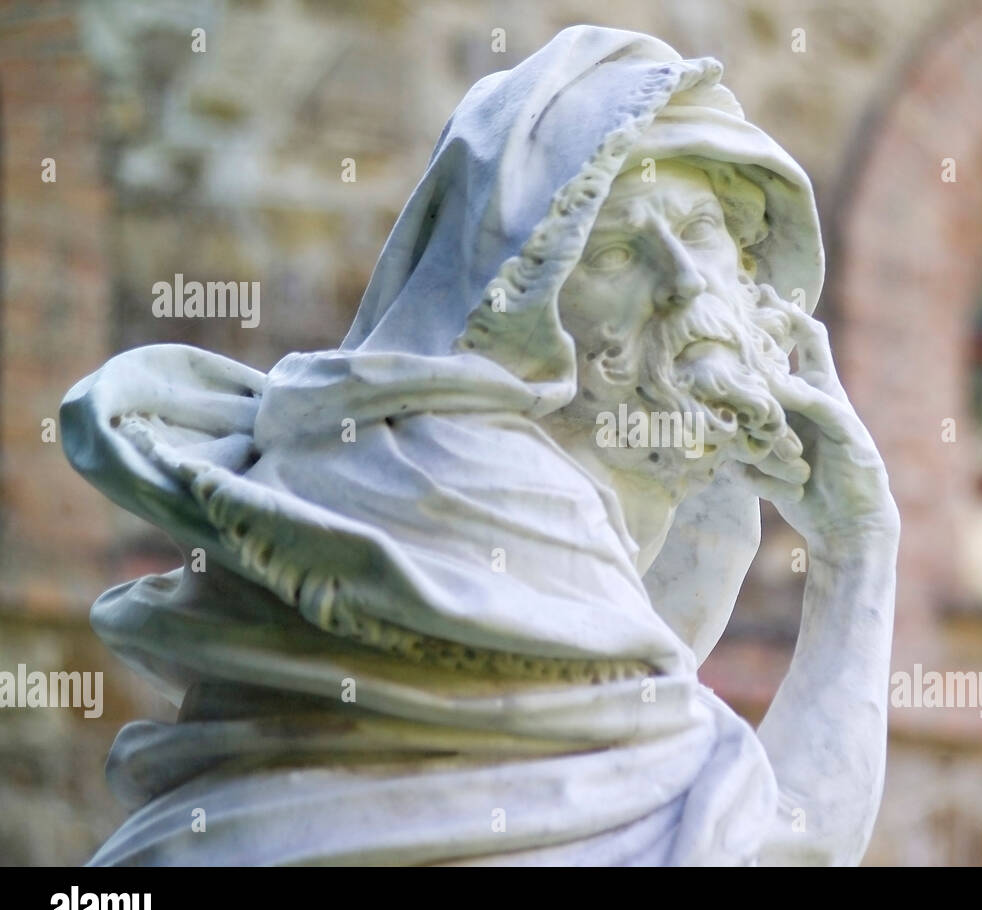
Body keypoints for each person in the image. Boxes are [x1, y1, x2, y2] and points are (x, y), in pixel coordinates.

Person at [62, 25, 899, 866]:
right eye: (613, 252)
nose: (683, 277)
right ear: (523, 309)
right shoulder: (480, 497)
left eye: (702, 227)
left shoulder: (467, 480)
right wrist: (857, 550)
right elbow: (781, 852)